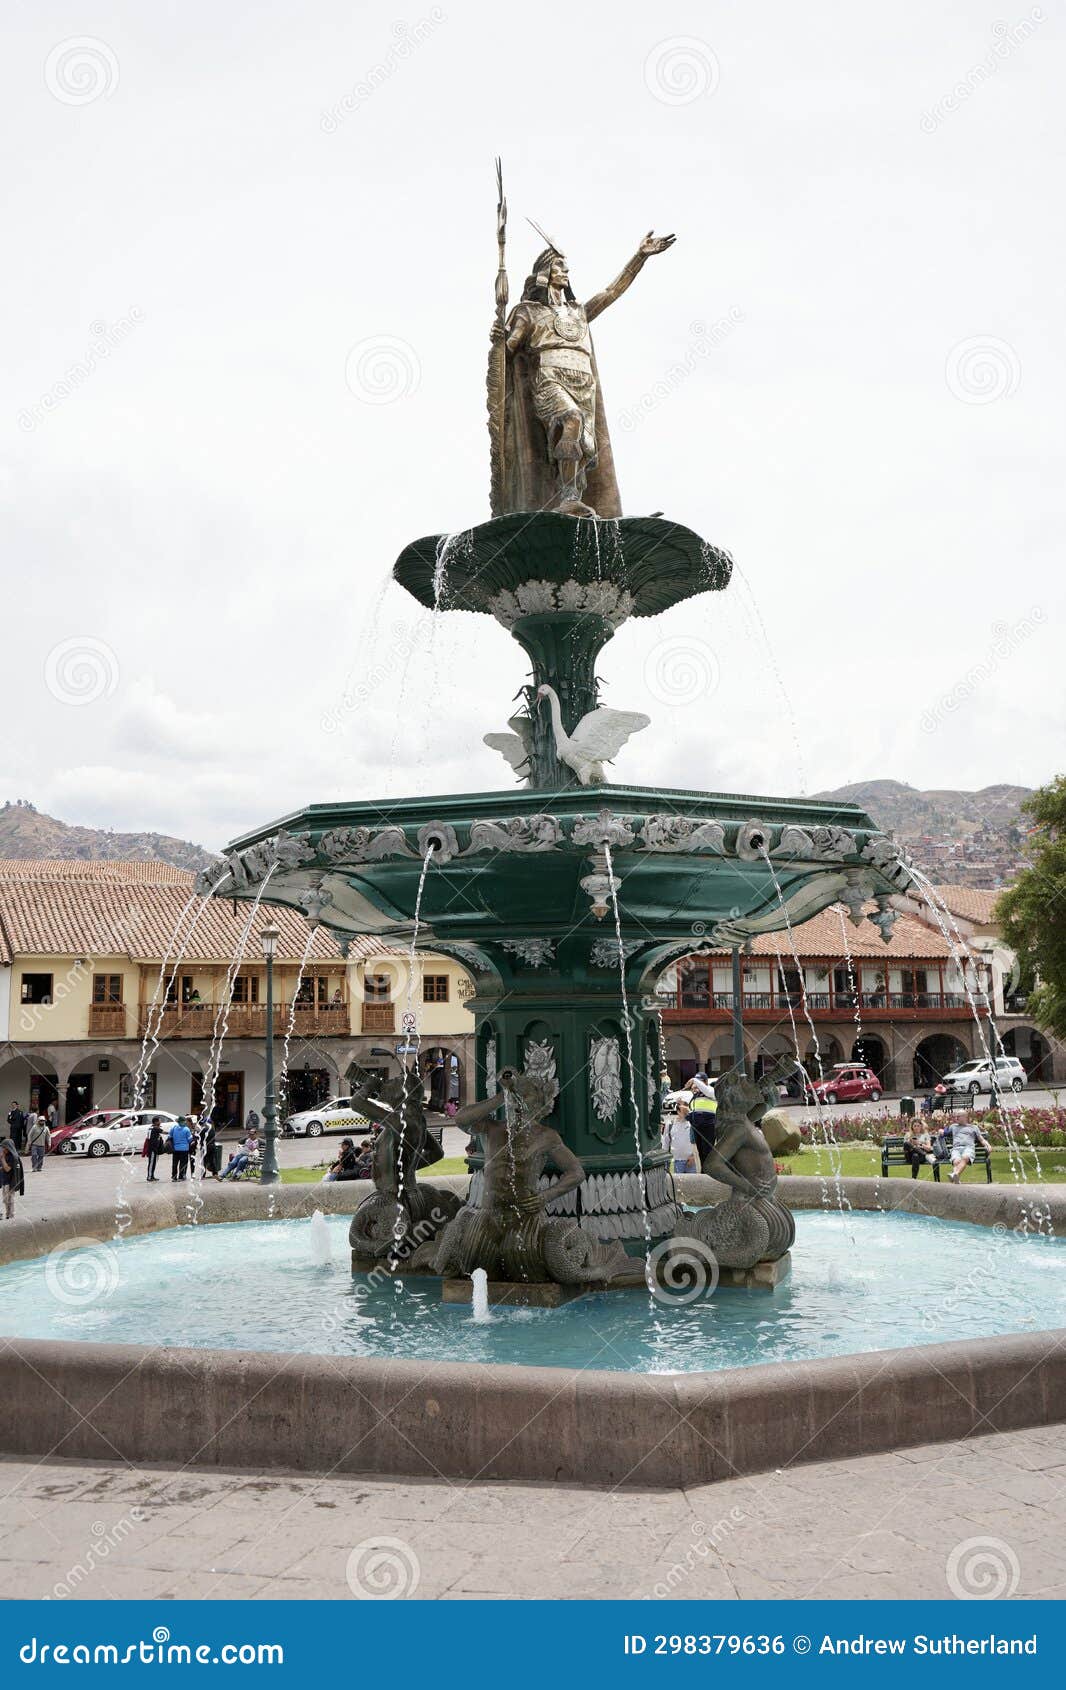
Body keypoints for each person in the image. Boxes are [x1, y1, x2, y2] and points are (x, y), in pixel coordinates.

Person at [687, 1072, 718, 1169]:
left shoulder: (712, 1091)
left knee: (708, 1151)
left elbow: (707, 1091)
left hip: (709, 1125)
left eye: (699, 1081)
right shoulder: (695, 1096)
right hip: (697, 1126)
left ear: (705, 1082)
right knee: (700, 1152)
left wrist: (694, 1080)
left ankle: (709, 1172)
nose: (696, 1084)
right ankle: (704, 1172)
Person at [663, 1097, 697, 1174]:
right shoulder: (670, 1124)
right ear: (678, 1110)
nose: (685, 1113)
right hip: (676, 1161)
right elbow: (666, 1143)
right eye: (682, 1110)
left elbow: (698, 1142)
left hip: (691, 1160)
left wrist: (694, 1156)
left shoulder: (693, 1123)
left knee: (692, 1184)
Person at [0, 1136, 24, 1219]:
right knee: (5, 1200)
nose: (3, 1150)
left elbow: (7, 1169)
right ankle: (7, 1214)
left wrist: (2, 1158)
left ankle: (11, 1215)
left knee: (10, 1200)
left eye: (4, 1148)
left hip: (10, 1182)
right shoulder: (6, 1155)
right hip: (4, 1181)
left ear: (8, 1148)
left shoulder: (13, 1157)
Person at [169, 1115, 193, 1181]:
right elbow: (190, 1140)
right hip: (184, 1149)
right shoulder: (186, 1129)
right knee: (183, 1163)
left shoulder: (173, 1128)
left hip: (175, 1149)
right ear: (184, 1122)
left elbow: (169, 1137)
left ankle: (174, 1177)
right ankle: (181, 1176)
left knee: (174, 1163)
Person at [145, 1117, 167, 1182]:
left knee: (153, 1163)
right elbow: (164, 1132)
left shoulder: (151, 1128)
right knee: (151, 1163)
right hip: (152, 1149)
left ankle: (152, 1176)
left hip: (153, 1148)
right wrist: (173, 1133)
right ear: (156, 1122)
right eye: (159, 1121)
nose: (160, 1122)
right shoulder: (155, 1128)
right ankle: (149, 1177)